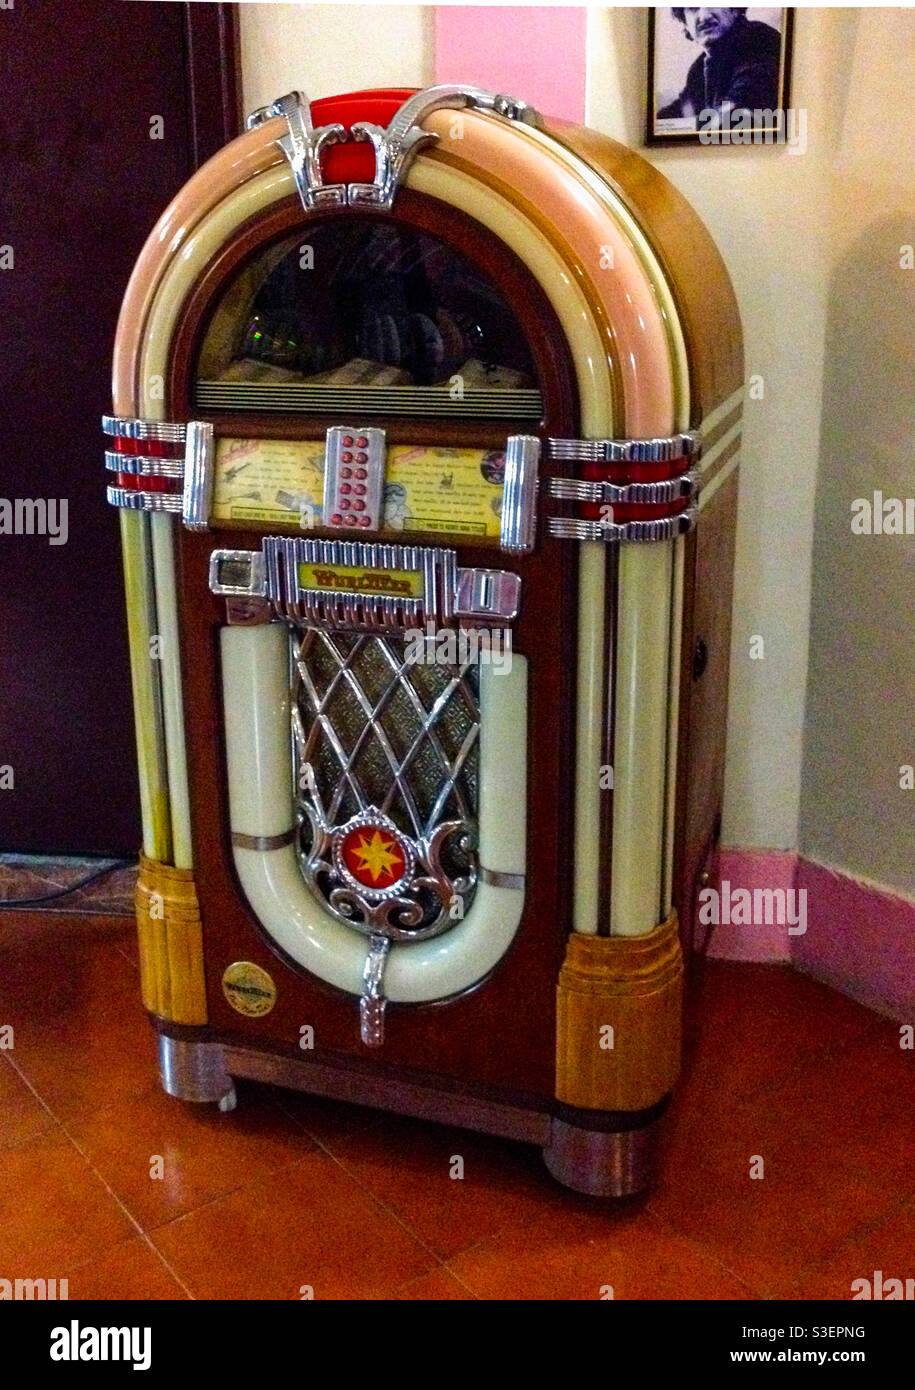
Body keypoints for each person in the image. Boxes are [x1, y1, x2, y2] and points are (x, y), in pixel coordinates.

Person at [657, 8, 782, 123]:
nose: (704, 16)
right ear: (685, 24)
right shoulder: (698, 69)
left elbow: (739, 111)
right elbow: (679, 112)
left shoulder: (760, 39)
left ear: (735, 9)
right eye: (692, 7)